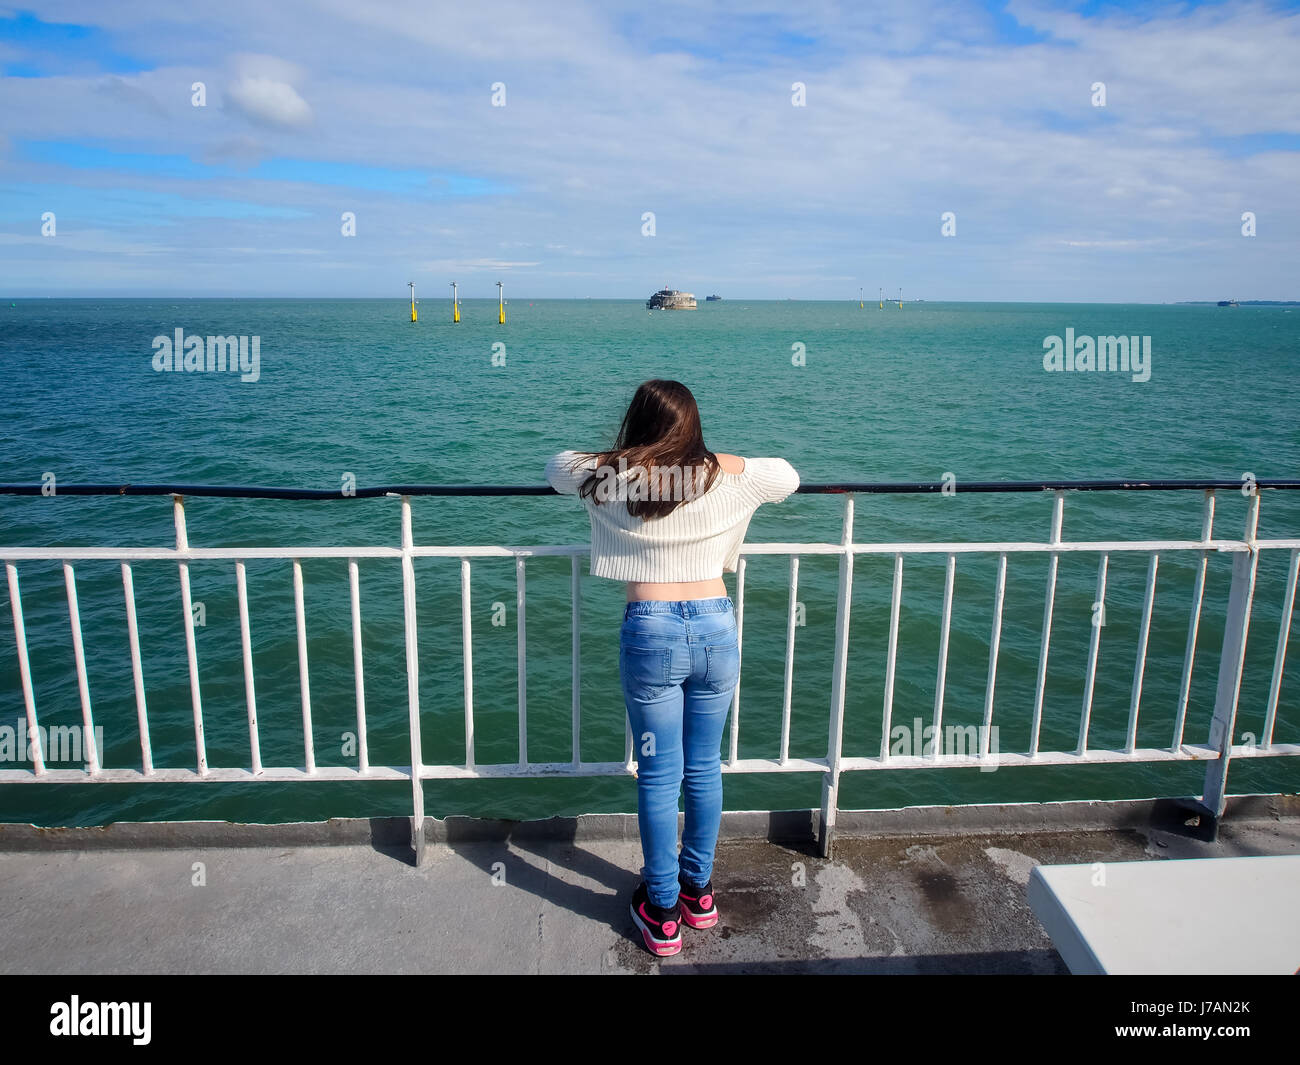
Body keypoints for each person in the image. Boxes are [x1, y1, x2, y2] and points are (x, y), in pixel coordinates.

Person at [544, 379, 800, 956]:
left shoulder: (609, 477)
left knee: (660, 773)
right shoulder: (728, 478)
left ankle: (661, 911)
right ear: (694, 426)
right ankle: (699, 894)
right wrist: (713, 461)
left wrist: (628, 459)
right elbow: (787, 475)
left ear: (636, 422)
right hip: (716, 625)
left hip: (651, 626)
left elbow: (555, 467)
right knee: (704, 767)